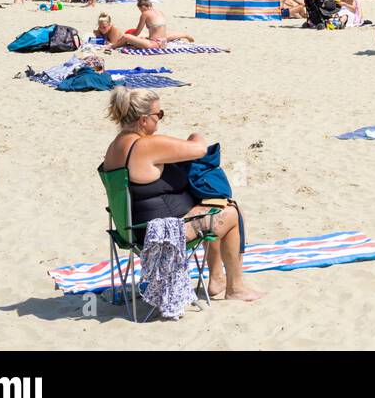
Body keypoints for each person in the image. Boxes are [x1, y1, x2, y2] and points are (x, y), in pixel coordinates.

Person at [102, 90, 261, 302]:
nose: (159, 120)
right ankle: (235, 287)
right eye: (159, 115)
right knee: (232, 212)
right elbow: (199, 149)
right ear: (143, 120)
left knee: (209, 202)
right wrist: (196, 135)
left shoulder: (116, 146)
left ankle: (217, 279)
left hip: (133, 231)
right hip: (162, 235)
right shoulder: (145, 145)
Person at [109, 0, 195, 50]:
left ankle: (112, 46)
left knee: (126, 37)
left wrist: (125, 37)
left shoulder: (145, 13)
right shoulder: (159, 12)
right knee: (163, 34)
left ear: (143, 7)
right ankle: (185, 35)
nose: (141, 11)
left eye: (140, 9)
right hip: (163, 42)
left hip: (154, 44)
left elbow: (137, 32)